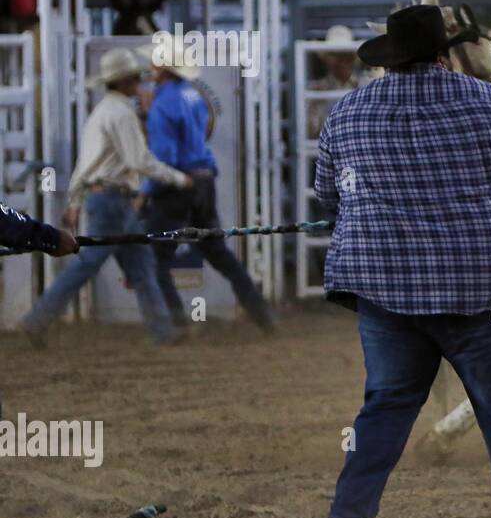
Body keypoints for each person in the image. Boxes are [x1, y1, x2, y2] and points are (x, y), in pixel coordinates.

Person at [312, 4, 491, 518]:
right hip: (477, 285)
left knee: (386, 402)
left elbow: (329, 196)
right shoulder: (490, 103)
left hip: (383, 283)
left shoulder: (348, 111)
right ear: (443, 52)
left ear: (390, 56)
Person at [20, 49, 191, 348]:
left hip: (108, 199)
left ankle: (162, 331)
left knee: (137, 264)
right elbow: (139, 160)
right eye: (134, 77)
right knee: (97, 264)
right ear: (125, 81)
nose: (139, 81)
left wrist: (75, 202)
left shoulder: (102, 112)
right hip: (114, 200)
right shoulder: (122, 114)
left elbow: (86, 164)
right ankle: (38, 319)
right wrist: (178, 178)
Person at [139, 33, 275, 331]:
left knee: (155, 256)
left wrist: (145, 191)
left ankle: (176, 322)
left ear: (164, 68)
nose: (150, 67)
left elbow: (164, 157)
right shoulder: (192, 95)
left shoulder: (162, 104)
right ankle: (262, 314)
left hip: (177, 185)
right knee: (217, 251)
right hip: (204, 179)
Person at [307, 24, 363, 139]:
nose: (341, 60)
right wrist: (317, 103)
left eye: (345, 54)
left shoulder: (365, 86)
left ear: (352, 58)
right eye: (334, 54)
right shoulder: (315, 90)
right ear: (327, 59)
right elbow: (310, 131)